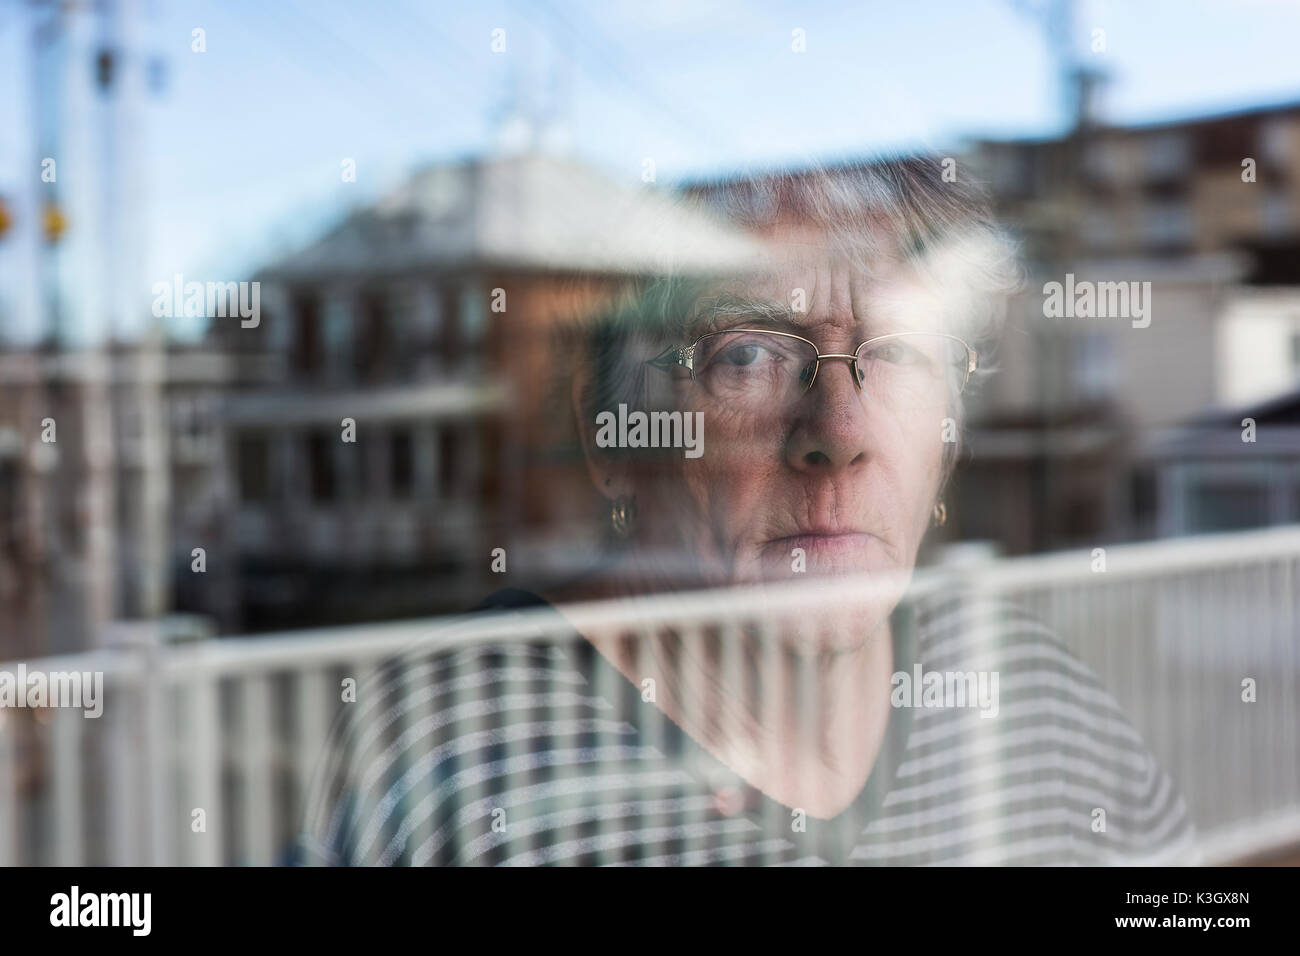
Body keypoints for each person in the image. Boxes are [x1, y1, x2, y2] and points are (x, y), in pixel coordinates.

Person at [298, 159, 1195, 866]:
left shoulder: (1021, 688)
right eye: (750, 355)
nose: (838, 434)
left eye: (897, 357)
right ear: (613, 440)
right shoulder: (456, 751)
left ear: (949, 443)